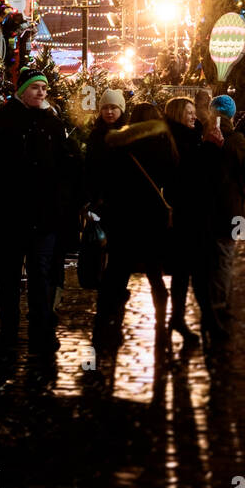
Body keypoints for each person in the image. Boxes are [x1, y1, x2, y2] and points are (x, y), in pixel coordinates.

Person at [0, 67, 82, 357]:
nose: (42, 92)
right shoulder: (1, 120)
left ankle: (41, 332)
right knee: (9, 276)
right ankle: (9, 331)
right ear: (23, 91)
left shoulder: (52, 122)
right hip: (11, 213)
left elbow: (65, 163)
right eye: (36, 87)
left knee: (40, 274)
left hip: (44, 214)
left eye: (44, 88)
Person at [91, 102, 177, 350]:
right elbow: (172, 177)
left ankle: (103, 324)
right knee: (155, 274)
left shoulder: (119, 143)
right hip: (153, 218)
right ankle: (162, 327)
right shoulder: (164, 142)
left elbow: (106, 179)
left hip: (123, 218)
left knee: (116, 273)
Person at [192, 94, 245, 353]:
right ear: (232, 115)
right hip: (231, 211)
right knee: (224, 258)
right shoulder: (236, 140)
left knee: (212, 260)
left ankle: (215, 308)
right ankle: (219, 307)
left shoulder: (206, 138)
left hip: (208, 211)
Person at [164, 96, 203, 346]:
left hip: (192, 215)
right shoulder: (175, 142)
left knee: (184, 272)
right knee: (182, 271)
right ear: (178, 114)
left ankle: (175, 319)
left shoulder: (192, 137)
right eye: (188, 112)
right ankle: (174, 319)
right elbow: (185, 177)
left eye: (194, 111)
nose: (193, 116)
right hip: (180, 216)